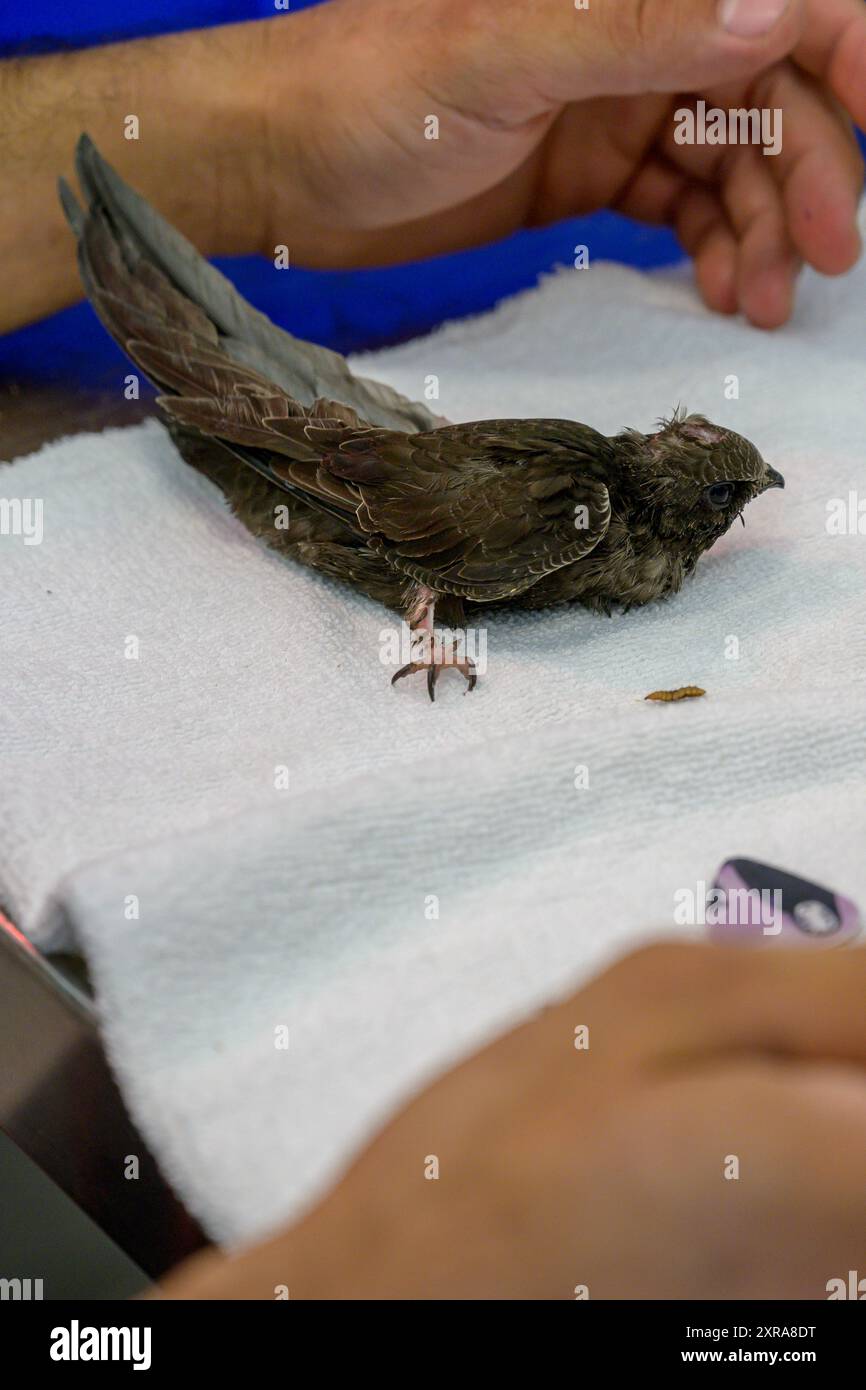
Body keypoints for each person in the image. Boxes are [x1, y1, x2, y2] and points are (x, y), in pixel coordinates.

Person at [3, 0, 866, 1298]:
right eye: (729, 502)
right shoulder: (567, 512)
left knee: (218, 343)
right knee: (202, 348)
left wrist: (241, 142)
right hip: (301, 451)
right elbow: (387, 499)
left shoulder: (604, 499)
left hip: (390, 390)